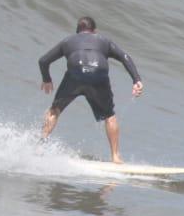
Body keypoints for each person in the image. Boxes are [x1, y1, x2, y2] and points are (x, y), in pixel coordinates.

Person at [39, 17, 144, 163]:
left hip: (75, 76)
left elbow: (43, 61)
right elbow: (125, 57)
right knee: (109, 116)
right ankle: (115, 157)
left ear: (77, 31)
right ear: (94, 31)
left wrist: (47, 79)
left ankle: (40, 146)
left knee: (55, 110)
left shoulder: (68, 41)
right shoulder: (104, 41)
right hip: (98, 76)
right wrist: (136, 80)